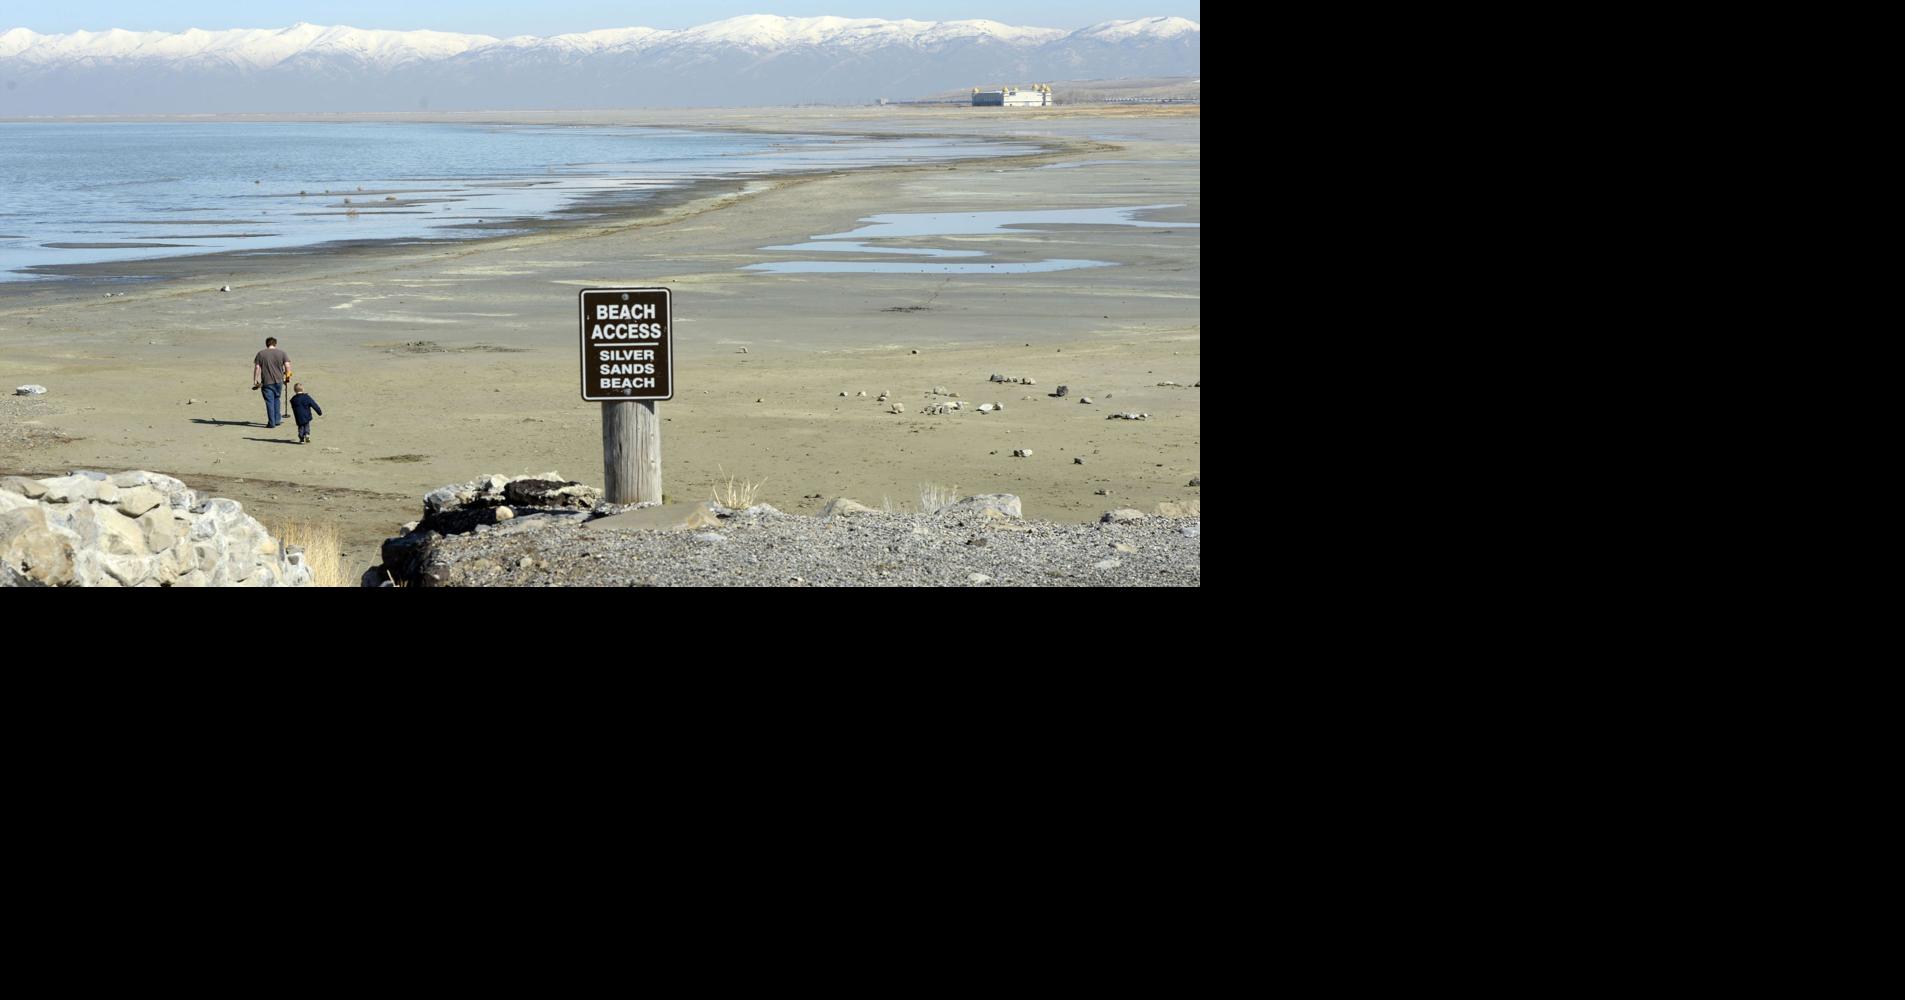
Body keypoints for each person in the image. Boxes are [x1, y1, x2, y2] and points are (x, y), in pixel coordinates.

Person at [251, 337, 291, 428]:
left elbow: (257, 368)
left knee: (269, 402)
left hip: (267, 382)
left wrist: (255, 380)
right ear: (275, 344)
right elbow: (288, 366)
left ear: (266, 344)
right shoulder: (282, 353)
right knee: (277, 399)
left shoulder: (261, 353)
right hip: (279, 381)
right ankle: (277, 420)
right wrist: (287, 378)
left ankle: (271, 422)